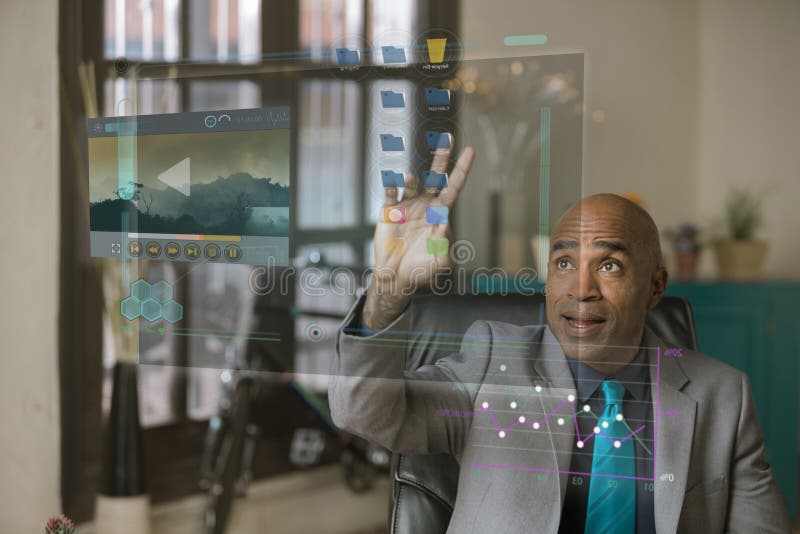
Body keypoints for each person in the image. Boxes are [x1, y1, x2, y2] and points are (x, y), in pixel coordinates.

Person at [328, 137, 790, 533]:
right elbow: (367, 415)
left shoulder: (724, 395)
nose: (581, 290)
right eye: (564, 263)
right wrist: (389, 288)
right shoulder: (493, 362)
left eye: (609, 266)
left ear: (655, 287)